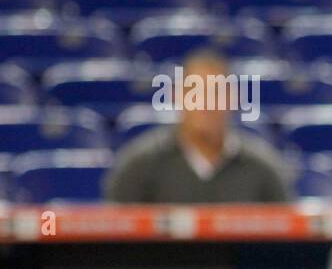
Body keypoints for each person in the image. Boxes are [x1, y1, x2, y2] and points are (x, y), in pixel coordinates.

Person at [105, 49, 292, 203]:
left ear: (233, 98)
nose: (205, 103)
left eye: (216, 92)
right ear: (177, 96)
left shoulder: (263, 167)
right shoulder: (139, 165)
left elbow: (284, 238)